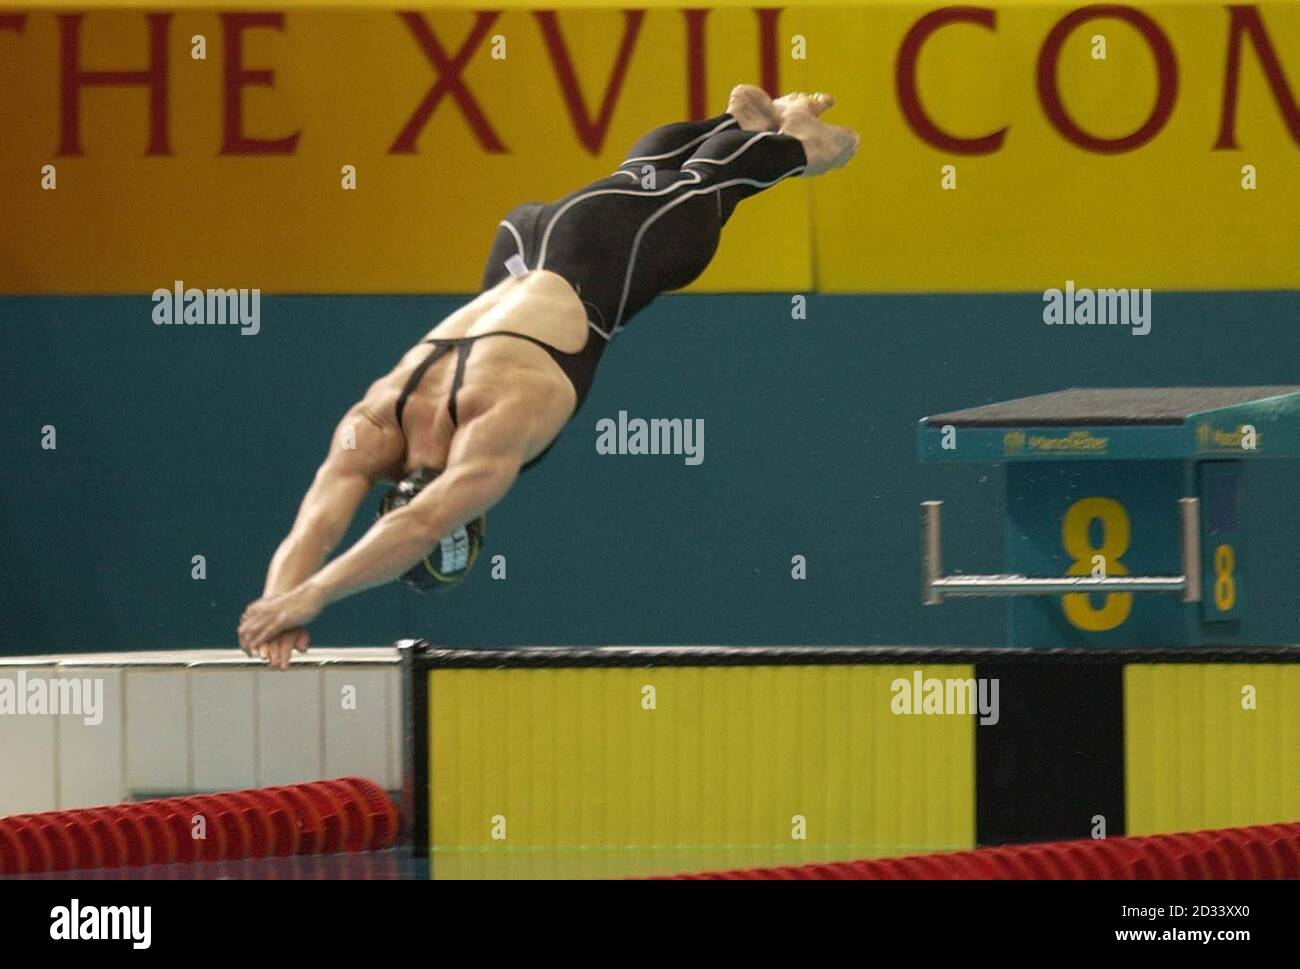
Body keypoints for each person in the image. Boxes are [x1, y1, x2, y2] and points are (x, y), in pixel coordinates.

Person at [238, 85, 859, 668]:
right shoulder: (374, 423)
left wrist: (311, 598)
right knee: (649, 186)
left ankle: (801, 137)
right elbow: (315, 526)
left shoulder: (493, 433)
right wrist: (277, 604)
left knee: (713, 190)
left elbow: (422, 524)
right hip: (527, 239)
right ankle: (738, 125)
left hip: (596, 250)